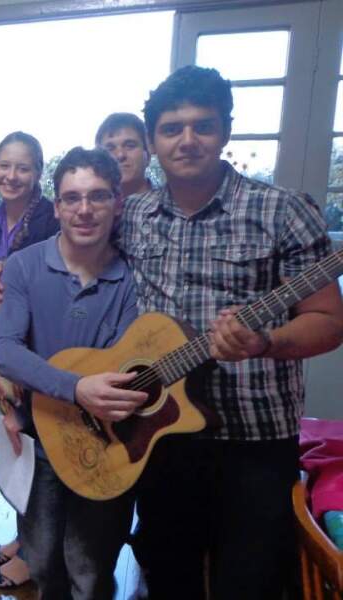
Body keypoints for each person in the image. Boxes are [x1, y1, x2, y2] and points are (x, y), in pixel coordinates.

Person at [120, 65, 343, 599]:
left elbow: (330, 321)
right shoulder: (134, 214)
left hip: (254, 441)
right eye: (172, 129)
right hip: (163, 435)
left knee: (250, 584)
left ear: (225, 131)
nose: (188, 140)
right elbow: (78, 256)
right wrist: (7, 271)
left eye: (203, 125)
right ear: (152, 140)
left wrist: (267, 342)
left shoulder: (282, 210)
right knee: (167, 575)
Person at [0, 147, 147, 599]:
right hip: (40, 435)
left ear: (117, 203)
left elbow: (120, 363)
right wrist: (76, 387)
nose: (84, 209)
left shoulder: (132, 278)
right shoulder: (23, 265)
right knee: (41, 559)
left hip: (109, 444)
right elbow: (4, 350)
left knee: (91, 566)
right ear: (56, 206)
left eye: (98, 196)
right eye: (72, 197)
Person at [0, 131, 59, 589]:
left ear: (38, 173)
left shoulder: (50, 220)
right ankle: (25, 537)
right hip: (2, 352)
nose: (11, 175)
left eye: (23, 167)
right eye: (4, 165)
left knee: (38, 453)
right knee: (18, 449)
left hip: (38, 353)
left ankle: (32, 555)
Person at [95, 112, 153, 198]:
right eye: (110, 149)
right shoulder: (85, 205)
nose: (120, 155)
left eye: (130, 146)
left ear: (148, 156)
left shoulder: (170, 203)